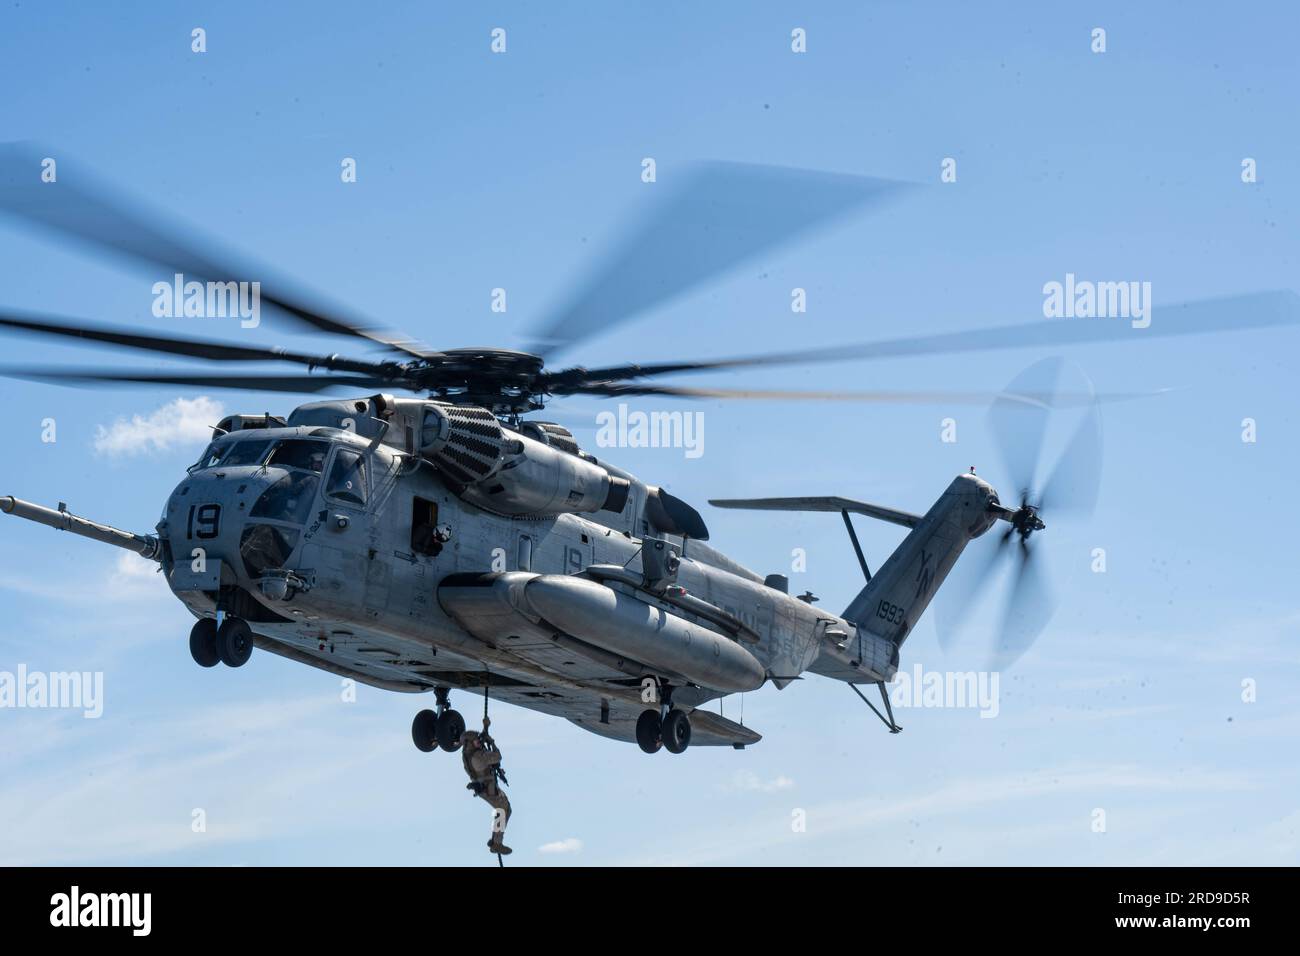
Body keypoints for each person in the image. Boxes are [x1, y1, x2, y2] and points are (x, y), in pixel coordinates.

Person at [462, 717, 512, 856]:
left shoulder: (468, 753)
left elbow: (481, 741)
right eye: (476, 741)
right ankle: (497, 843)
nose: (479, 742)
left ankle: (495, 839)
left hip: (484, 786)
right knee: (503, 810)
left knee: (505, 808)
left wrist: (485, 728)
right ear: (471, 743)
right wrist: (492, 742)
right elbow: (497, 756)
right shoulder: (479, 756)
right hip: (488, 788)